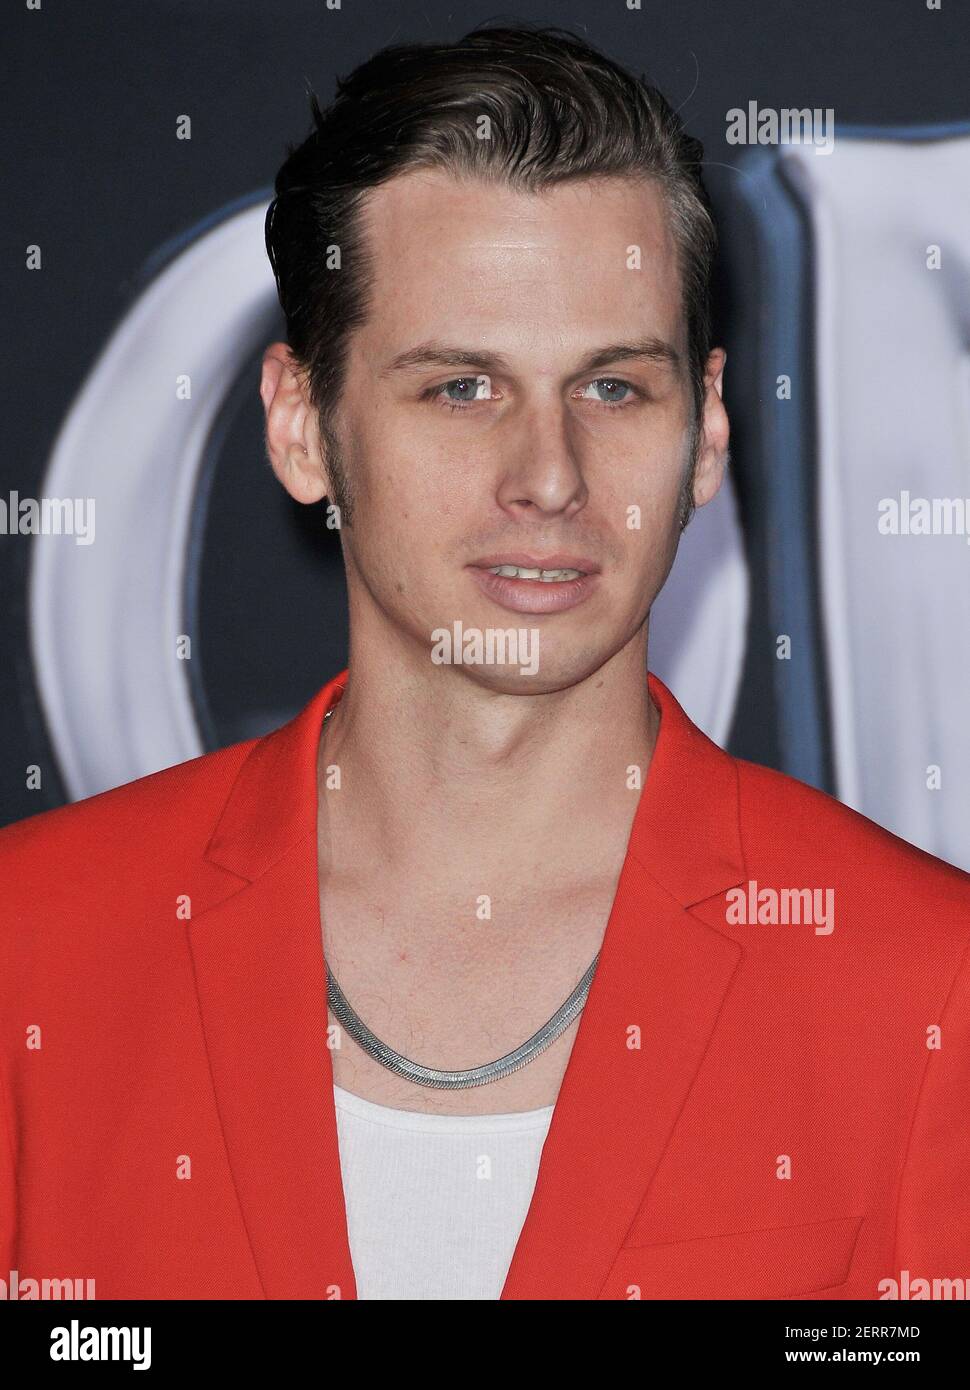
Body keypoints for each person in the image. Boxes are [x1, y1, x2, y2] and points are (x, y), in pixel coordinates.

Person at [2, 23, 968, 1303]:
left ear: (708, 430)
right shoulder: (34, 950)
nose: (550, 477)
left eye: (614, 388)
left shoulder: (924, 986)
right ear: (302, 426)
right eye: (461, 388)